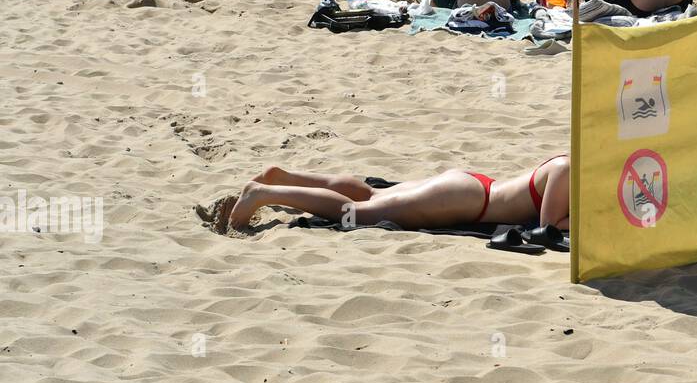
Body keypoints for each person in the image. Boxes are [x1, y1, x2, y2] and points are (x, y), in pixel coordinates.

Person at [197, 154, 570, 233]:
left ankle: (284, 175)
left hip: (472, 188)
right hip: (470, 201)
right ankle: (262, 193)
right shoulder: (567, 168)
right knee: (359, 213)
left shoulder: (569, 162)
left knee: (370, 194)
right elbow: (548, 225)